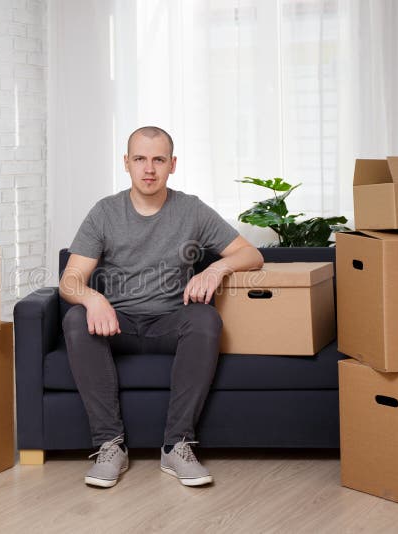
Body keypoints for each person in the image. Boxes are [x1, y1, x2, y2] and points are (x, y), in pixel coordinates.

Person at [60, 126, 264, 488]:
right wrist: (94, 298)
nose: (149, 168)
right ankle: (110, 445)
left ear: (172, 164)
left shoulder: (191, 209)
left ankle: (177, 445)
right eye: (140, 159)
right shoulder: (105, 212)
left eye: (158, 159)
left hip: (170, 323)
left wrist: (216, 268)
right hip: (117, 326)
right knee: (77, 318)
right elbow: (70, 280)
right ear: (126, 163)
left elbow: (251, 253)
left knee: (205, 318)